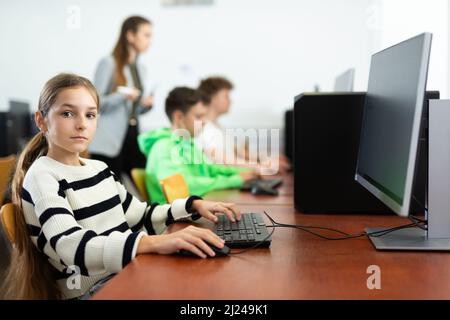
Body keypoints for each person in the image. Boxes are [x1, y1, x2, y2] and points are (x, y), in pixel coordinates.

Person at [3, 74, 240, 300]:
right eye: (67, 113)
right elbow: (70, 246)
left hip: (124, 273)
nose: (81, 124)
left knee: (207, 280)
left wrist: (192, 205)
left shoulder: (99, 168)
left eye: (90, 115)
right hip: (90, 289)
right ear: (41, 120)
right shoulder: (42, 174)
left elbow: (140, 216)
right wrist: (152, 243)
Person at [137, 87, 260, 204]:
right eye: (198, 116)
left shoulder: (188, 144)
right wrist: (235, 180)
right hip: (175, 221)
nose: (204, 122)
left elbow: (211, 169)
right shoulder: (163, 148)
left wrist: (249, 172)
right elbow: (186, 186)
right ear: (179, 117)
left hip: (193, 209)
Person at [89, 16, 154, 179]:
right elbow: (95, 102)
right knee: (110, 192)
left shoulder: (141, 68)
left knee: (144, 179)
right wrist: (122, 96)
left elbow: (133, 110)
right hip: (110, 140)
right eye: (146, 35)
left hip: (132, 133)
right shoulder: (109, 63)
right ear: (130, 35)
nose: (149, 41)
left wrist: (144, 105)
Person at [196, 76, 291, 174]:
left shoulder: (219, 127)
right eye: (226, 96)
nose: (230, 101)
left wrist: (266, 158)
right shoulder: (204, 129)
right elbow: (222, 161)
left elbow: (239, 152)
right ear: (213, 98)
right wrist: (261, 167)